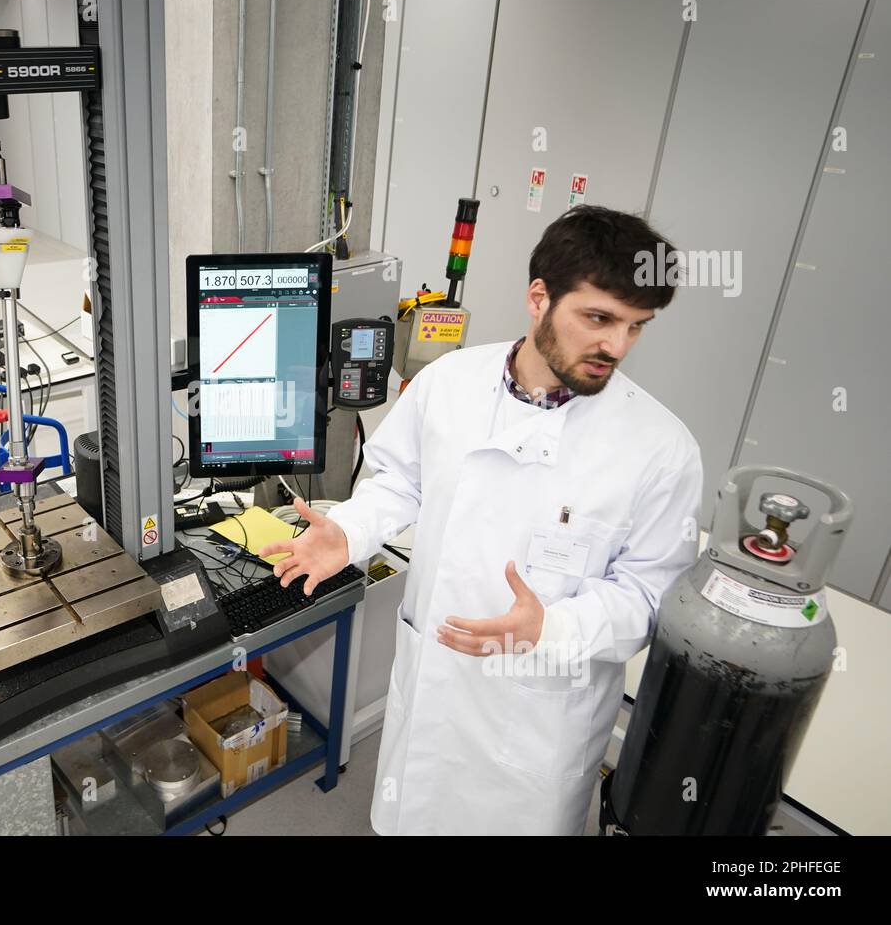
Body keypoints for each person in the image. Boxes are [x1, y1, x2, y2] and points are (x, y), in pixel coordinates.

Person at [260, 205, 703, 835]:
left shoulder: (661, 449)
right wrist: (352, 529)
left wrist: (552, 626)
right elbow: (400, 480)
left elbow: (649, 598)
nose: (616, 346)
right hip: (437, 687)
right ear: (538, 297)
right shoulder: (449, 382)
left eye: (636, 327)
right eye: (598, 318)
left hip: (541, 718)